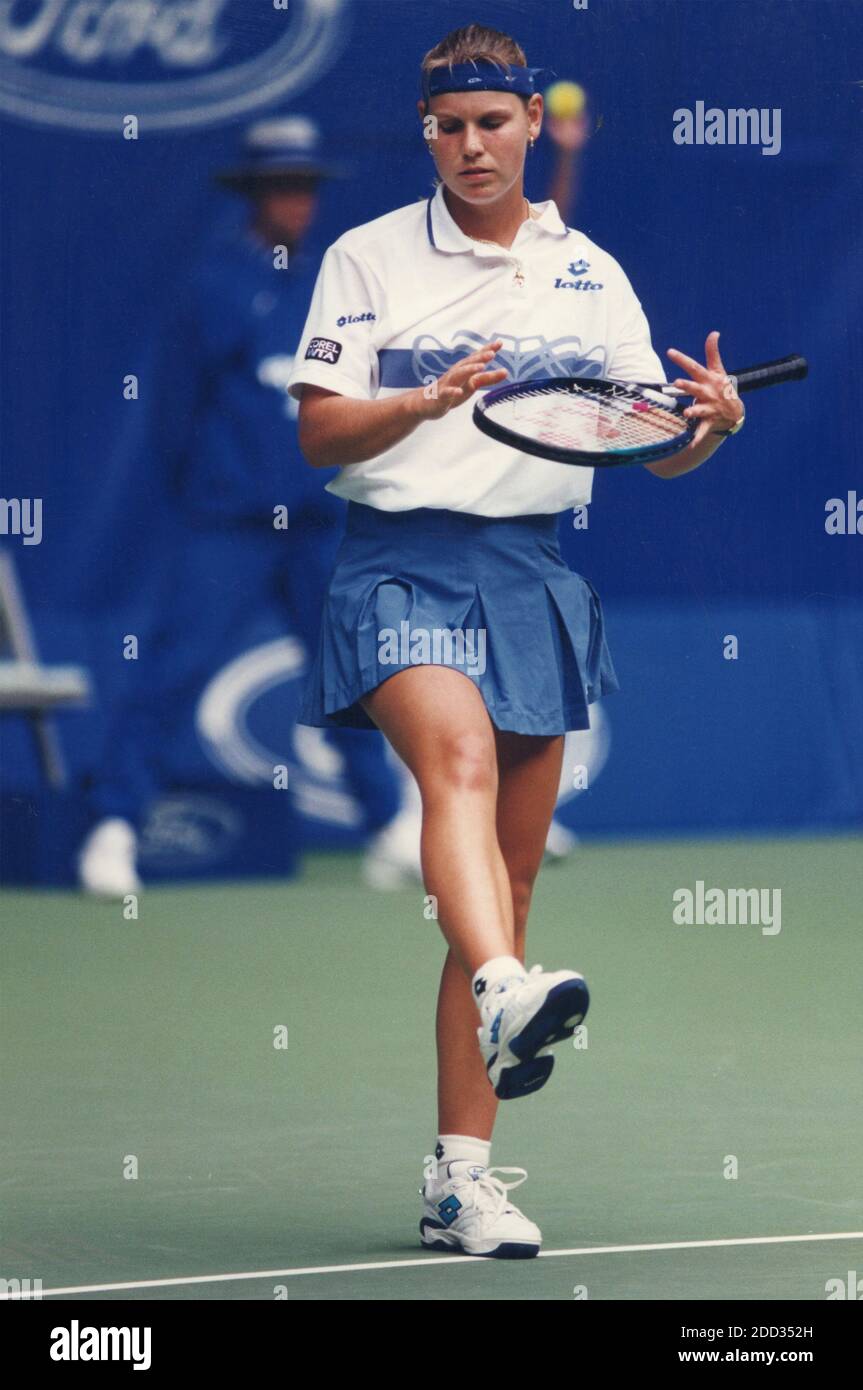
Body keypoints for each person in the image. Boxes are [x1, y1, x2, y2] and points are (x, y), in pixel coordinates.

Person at [286, 25, 745, 1260]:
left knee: (509, 886)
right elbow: (321, 433)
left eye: (491, 123)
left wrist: (708, 424)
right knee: (460, 771)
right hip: (397, 564)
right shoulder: (365, 255)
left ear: (530, 122)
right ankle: (503, 988)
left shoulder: (587, 272)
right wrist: (417, 402)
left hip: (528, 568)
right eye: (447, 126)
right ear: (425, 131)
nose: (469, 145)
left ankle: (458, 1180)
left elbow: (640, 441)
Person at [78, 117, 400, 896]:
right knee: (174, 667)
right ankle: (114, 827)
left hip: (319, 524)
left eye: (304, 187)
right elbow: (172, 415)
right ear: (254, 196)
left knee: (351, 676)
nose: (295, 202)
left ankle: (390, 829)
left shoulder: (339, 285)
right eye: (279, 188)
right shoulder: (212, 284)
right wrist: (216, 489)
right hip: (227, 526)